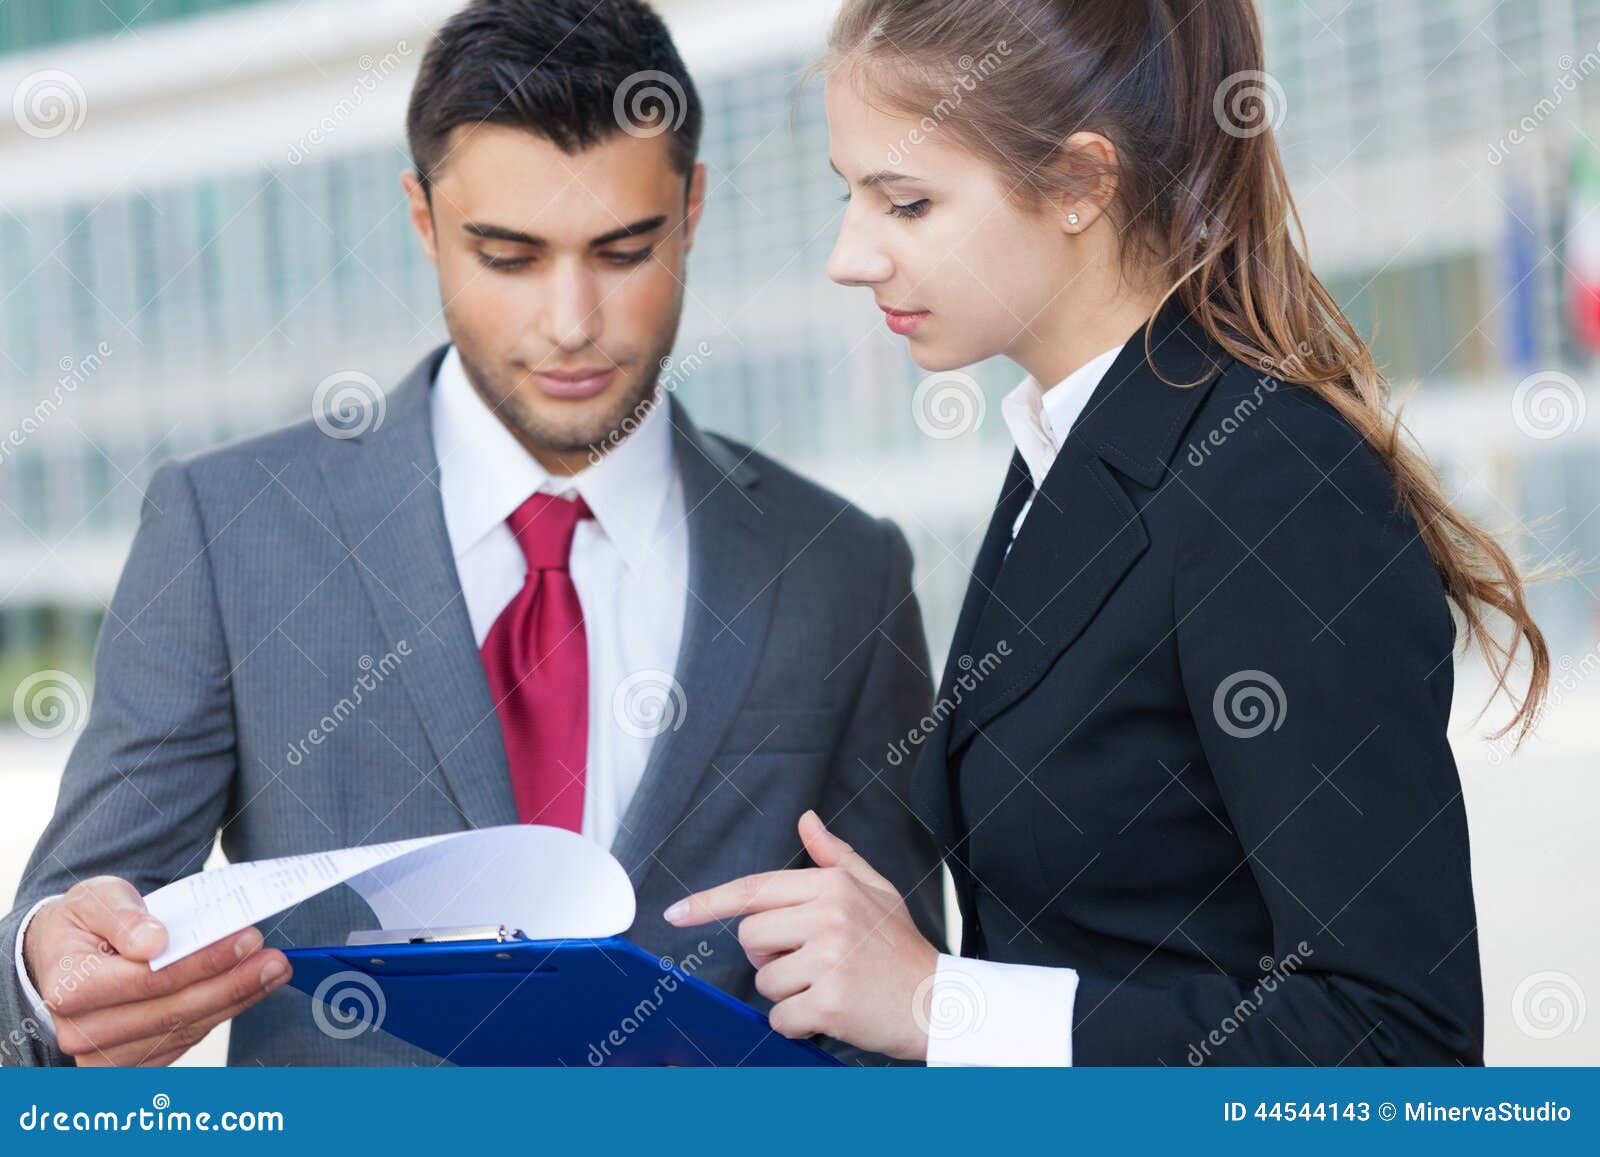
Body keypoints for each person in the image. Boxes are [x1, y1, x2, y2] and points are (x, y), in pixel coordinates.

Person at [1, 0, 943, 1068]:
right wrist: (46, 973)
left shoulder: (841, 566)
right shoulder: (231, 531)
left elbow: (891, 1017)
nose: (571, 322)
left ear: (692, 208)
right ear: (423, 220)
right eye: (508, 256)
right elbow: (72, 922)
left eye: (623, 250)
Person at [666, 0, 1550, 1066]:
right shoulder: (1067, 447)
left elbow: (1396, 1045)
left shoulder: (1273, 482)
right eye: (847, 193)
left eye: (905, 203)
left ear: (1082, 182)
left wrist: (942, 1001)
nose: (849, 257)